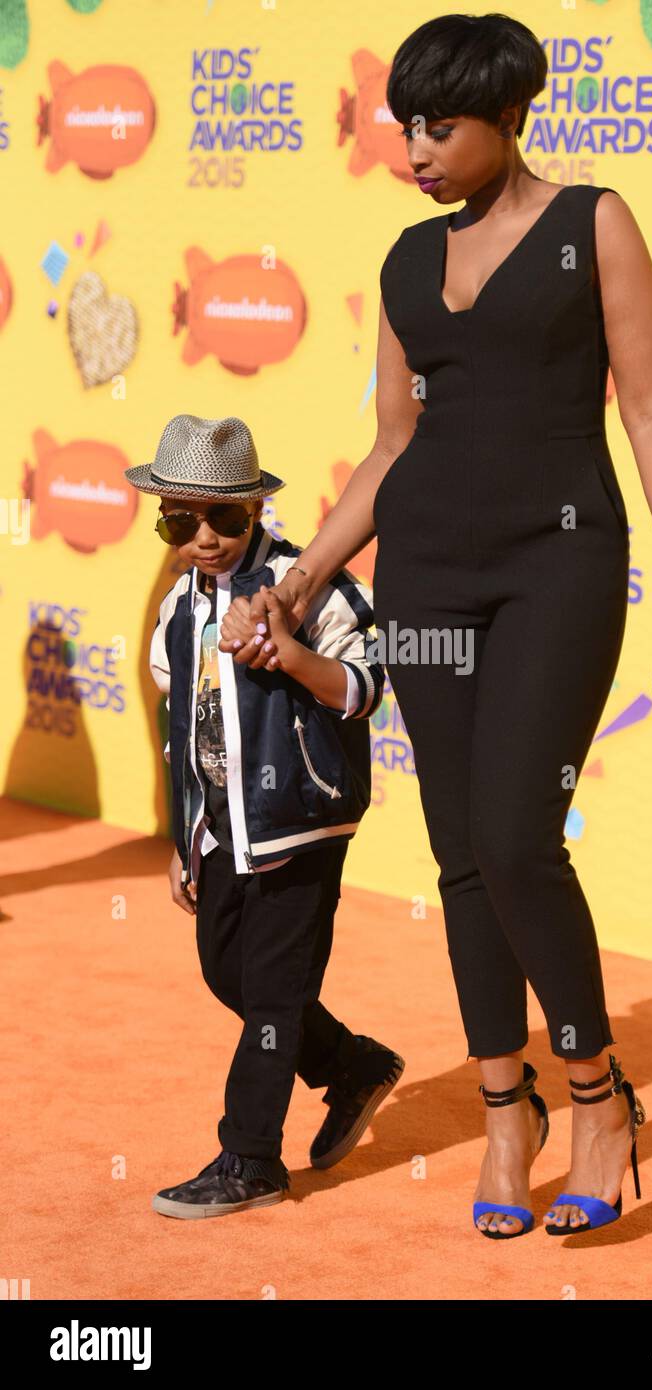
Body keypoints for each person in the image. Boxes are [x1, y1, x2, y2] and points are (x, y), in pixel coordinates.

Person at [220, 13, 652, 1238]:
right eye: (406, 128)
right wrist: (301, 577)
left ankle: (596, 1094)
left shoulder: (593, 224)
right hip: (427, 581)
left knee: (514, 834)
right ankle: (510, 1112)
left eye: (441, 127)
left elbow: (650, 411)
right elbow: (393, 446)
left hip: (561, 564)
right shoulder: (401, 262)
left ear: (511, 117)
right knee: (456, 851)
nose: (418, 150)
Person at [125, 413, 404, 1220]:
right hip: (222, 829)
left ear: (256, 510)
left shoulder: (304, 585)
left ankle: (251, 1157)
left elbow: (363, 691)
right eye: (181, 519)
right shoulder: (178, 609)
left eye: (225, 517)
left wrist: (291, 652)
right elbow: (183, 728)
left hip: (301, 821)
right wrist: (186, 839)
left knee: (275, 994)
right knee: (229, 974)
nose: (204, 538)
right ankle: (352, 1065)